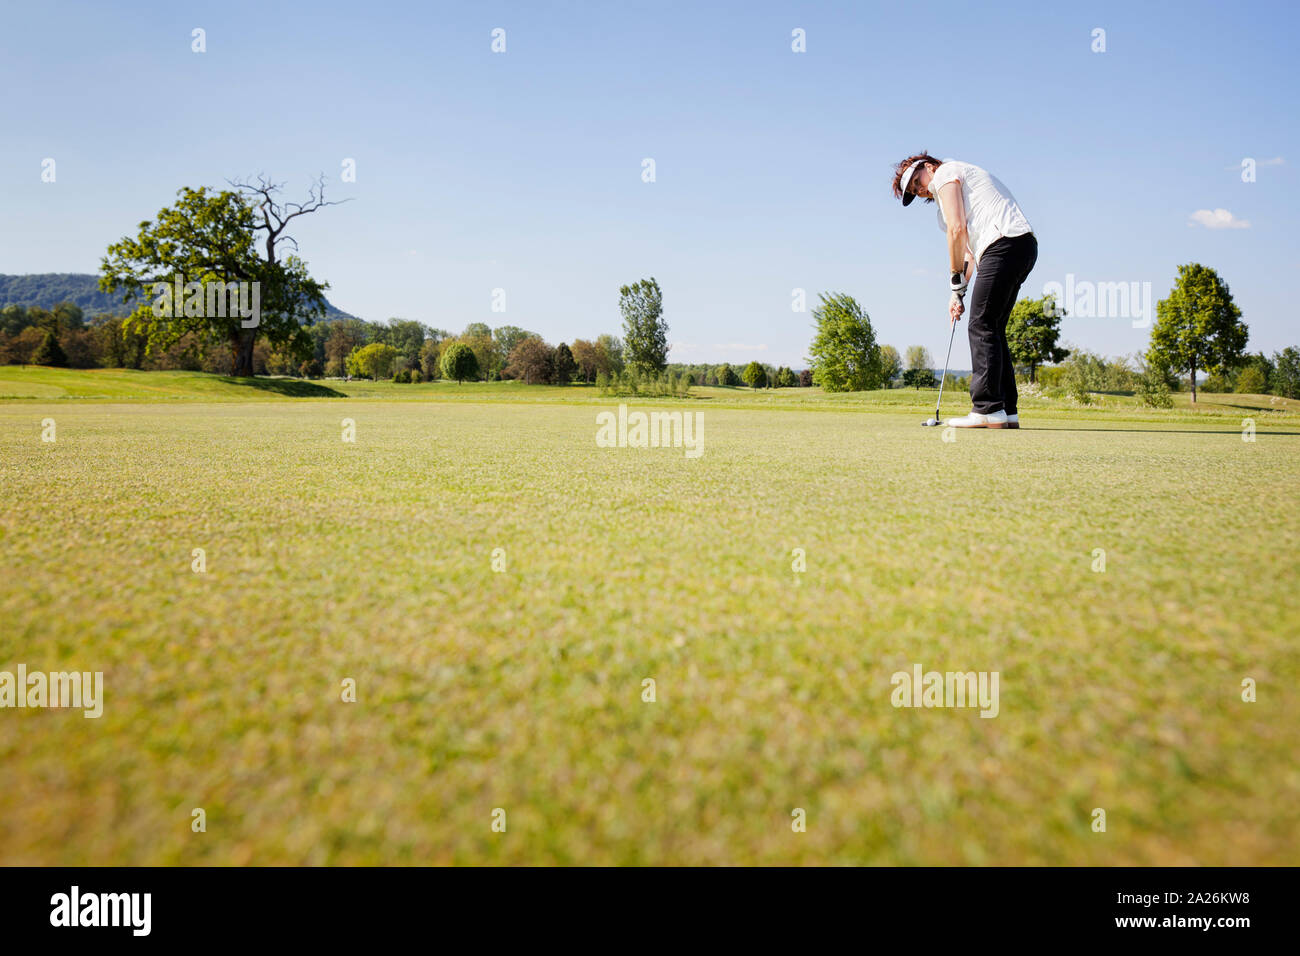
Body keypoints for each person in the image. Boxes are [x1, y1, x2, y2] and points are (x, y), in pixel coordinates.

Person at [893, 153, 1037, 428]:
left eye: (917, 181)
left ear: (928, 166)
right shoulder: (943, 209)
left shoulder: (947, 172)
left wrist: (953, 278)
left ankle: (986, 409)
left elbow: (957, 231)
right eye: (913, 190)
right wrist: (956, 293)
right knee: (993, 327)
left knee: (981, 325)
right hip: (1019, 247)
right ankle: (1006, 411)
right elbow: (969, 255)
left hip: (1004, 243)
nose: (920, 189)